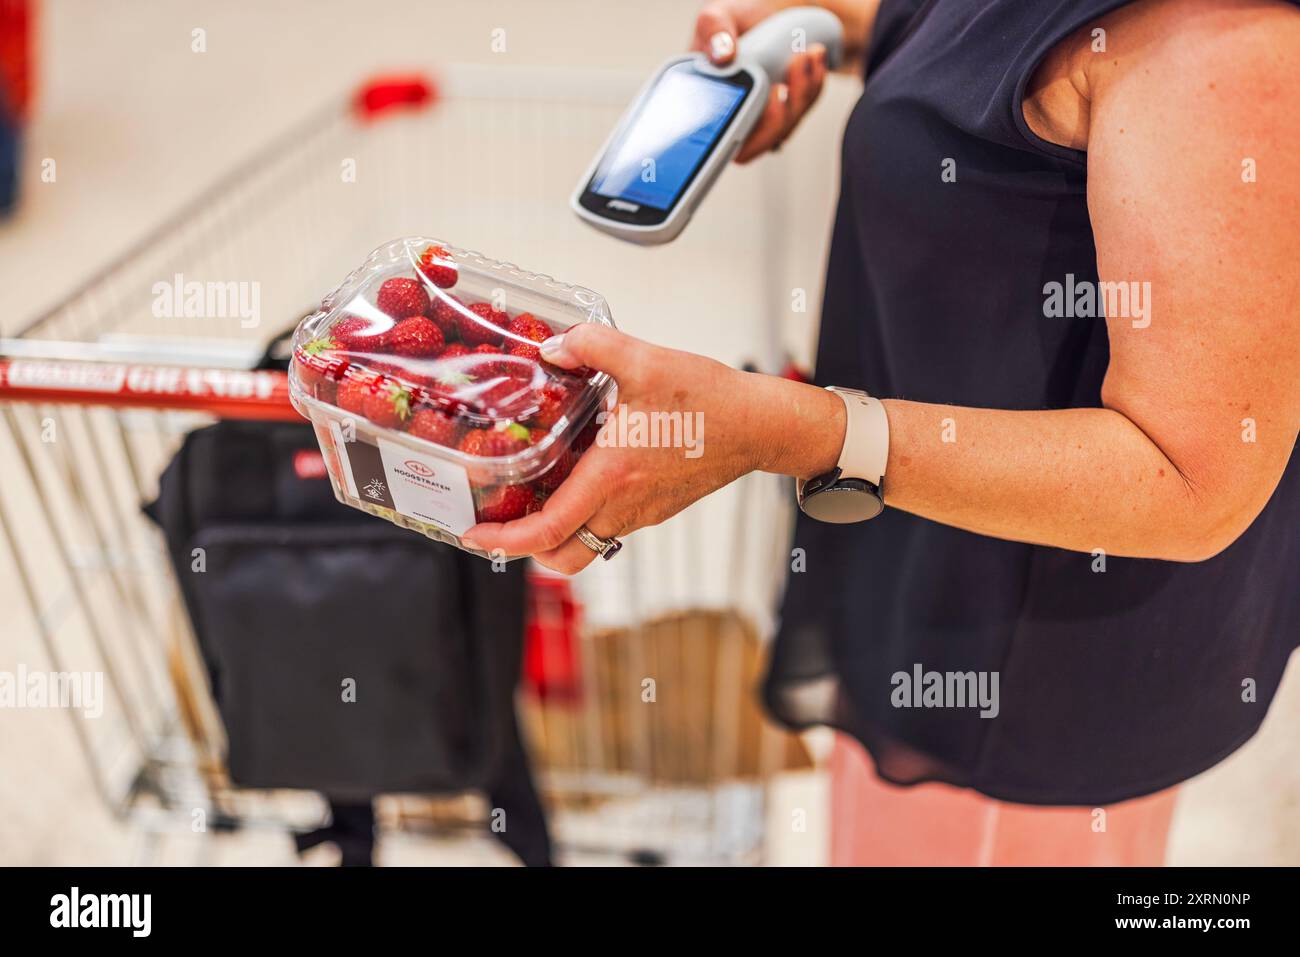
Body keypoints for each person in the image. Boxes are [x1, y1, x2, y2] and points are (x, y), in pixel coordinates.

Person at [464, 0, 1300, 864]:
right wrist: (831, 24)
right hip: (928, 563)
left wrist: (792, 433)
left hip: (1039, 670)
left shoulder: (1220, 41)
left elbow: (1189, 476)